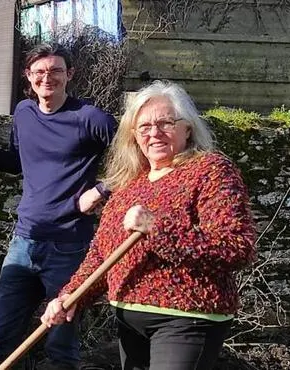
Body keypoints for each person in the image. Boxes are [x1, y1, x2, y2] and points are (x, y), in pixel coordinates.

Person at [40, 80, 256, 369]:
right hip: (129, 319)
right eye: (144, 127)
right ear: (134, 136)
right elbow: (102, 255)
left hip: (186, 317)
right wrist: (71, 295)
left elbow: (236, 247)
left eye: (166, 123)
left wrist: (156, 228)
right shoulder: (128, 185)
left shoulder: (210, 170)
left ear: (187, 128)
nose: (154, 133)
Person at [0, 43, 118, 369]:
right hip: (24, 241)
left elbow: (136, 156)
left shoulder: (90, 118)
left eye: (55, 70)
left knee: (61, 344)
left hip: (68, 246)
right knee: (3, 335)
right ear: (28, 76)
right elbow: (15, 163)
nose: (47, 77)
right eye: (39, 72)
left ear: (70, 74)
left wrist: (100, 189)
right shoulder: (24, 113)